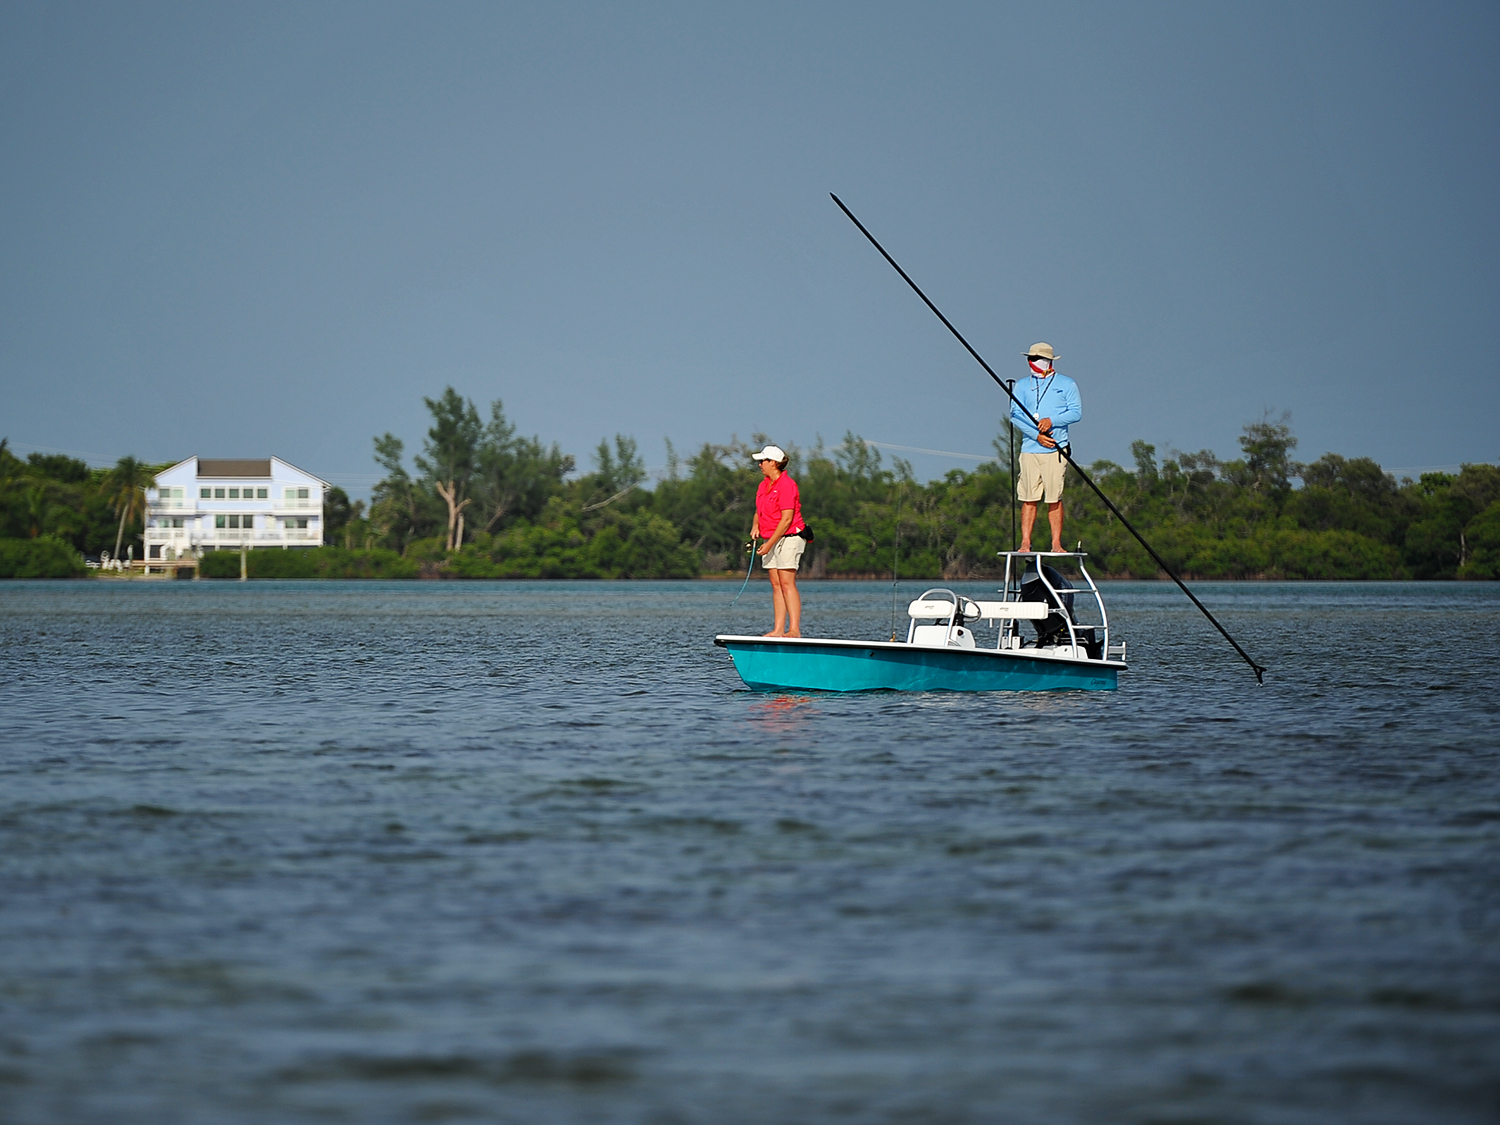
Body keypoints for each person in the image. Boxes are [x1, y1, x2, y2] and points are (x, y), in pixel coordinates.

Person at [1009, 342, 1082, 553]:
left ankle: (1056, 543)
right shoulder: (1022, 385)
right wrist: (1036, 435)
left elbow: (1076, 412)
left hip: (1056, 450)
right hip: (1030, 449)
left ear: (1048, 361)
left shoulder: (1067, 384)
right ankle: (1025, 542)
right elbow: (1015, 415)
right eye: (1030, 358)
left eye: (1036, 358)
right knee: (1028, 497)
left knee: (1054, 497)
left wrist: (1052, 421)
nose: (1031, 362)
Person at [750, 444, 806, 637]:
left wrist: (769, 544)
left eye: (762, 461)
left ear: (773, 463)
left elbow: (787, 519)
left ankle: (794, 630)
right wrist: (755, 525)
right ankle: (778, 629)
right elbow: (759, 510)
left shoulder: (787, 485)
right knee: (776, 584)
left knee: (786, 582)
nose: (760, 465)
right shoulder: (763, 485)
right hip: (771, 538)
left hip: (789, 537)